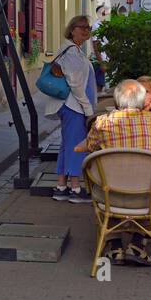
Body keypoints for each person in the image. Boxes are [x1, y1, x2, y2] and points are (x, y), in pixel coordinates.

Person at [74, 79, 151, 266]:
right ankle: (138, 244)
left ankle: (114, 246)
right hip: (147, 198)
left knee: (105, 181)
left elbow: (88, 146)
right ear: (142, 101)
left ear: (117, 101)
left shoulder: (102, 123)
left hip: (111, 197)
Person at [42, 15, 97, 203]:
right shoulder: (72, 52)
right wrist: (88, 109)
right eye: (81, 27)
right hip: (73, 106)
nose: (85, 30)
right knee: (77, 146)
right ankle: (75, 189)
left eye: (88, 27)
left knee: (67, 145)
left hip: (70, 105)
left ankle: (61, 186)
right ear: (72, 29)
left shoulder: (74, 50)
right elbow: (76, 85)